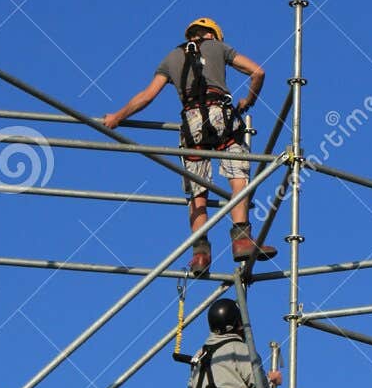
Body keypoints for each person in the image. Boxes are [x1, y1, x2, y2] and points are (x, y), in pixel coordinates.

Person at [103, 17, 277, 274]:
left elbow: (147, 96)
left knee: (197, 192)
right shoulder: (218, 47)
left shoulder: (171, 57)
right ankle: (241, 239)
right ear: (212, 36)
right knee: (238, 175)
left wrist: (117, 117)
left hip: (192, 124)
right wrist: (248, 101)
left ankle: (200, 255)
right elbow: (258, 72)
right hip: (222, 117)